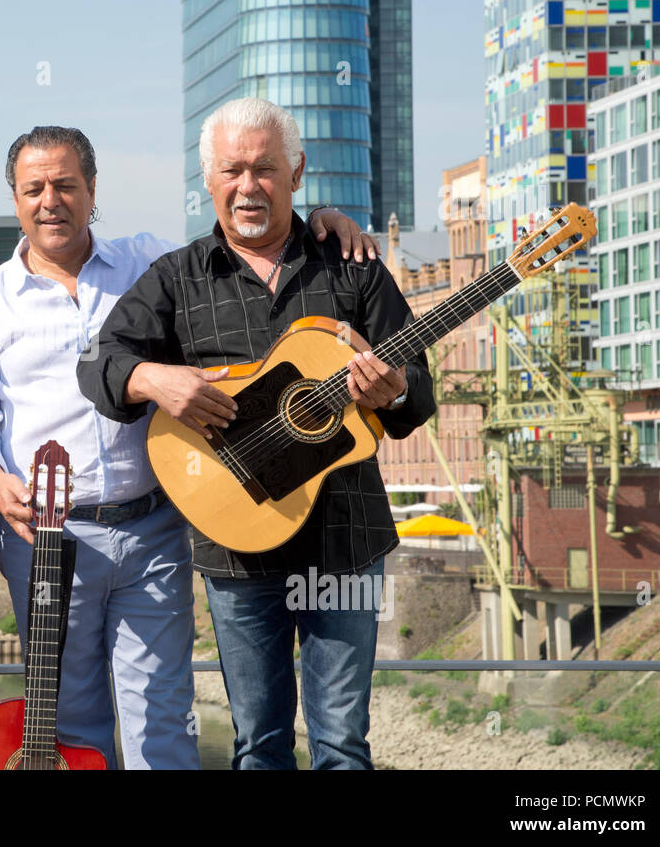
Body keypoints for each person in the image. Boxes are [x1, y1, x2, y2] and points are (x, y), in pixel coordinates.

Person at [0, 124, 376, 768]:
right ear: (14, 198)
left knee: (163, 721)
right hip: (44, 538)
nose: (50, 200)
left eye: (65, 185)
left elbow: (241, 238)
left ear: (92, 191)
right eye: (33, 188)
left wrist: (314, 214)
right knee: (69, 721)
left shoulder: (148, 261)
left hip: (153, 531)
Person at [77, 97, 436, 770]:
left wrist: (396, 390)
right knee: (259, 745)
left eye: (266, 170)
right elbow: (97, 366)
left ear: (296, 172)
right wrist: (156, 379)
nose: (249, 187)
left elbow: (417, 393)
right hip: (234, 543)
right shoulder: (176, 278)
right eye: (233, 170)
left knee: (342, 746)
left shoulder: (353, 265)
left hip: (344, 539)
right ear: (209, 180)